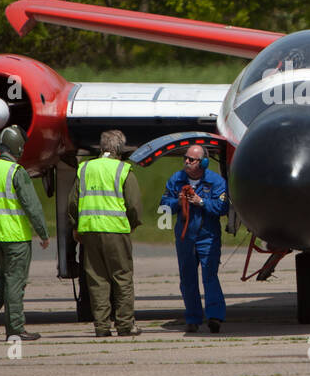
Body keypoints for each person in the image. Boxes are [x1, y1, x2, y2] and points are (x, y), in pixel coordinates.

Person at [0, 125, 50, 341]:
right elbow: (32, 206)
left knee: (5, 277)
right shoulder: (17, 173)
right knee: (16, 282)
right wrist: (43, 233)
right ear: (17, 147)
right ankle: (16, 328)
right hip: (16, 238)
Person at [68, 130, 143, 337]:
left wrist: (76, 226)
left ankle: (101, 326)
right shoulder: (123, 170)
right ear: (120, 149)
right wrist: (132, 225)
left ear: (101, 148)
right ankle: (125, 324)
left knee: (97, 279)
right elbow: (134, 205)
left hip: (89, 230)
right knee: (122, 277)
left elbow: (73, 202)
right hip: (116, 231)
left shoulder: (84, 168)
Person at [160, 145, 229, 333]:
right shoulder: (176, 180)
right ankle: (192, 318)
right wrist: (177, 201)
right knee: (187, 278)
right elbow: (163, 208)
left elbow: (222, 208)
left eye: (192, 159)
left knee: (209, 275)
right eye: (186, 158)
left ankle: (215, 316)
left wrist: (201, 202)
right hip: (185, 238)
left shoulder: (216, 181)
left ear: (204, 162)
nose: (187, 162)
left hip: (208, 237)